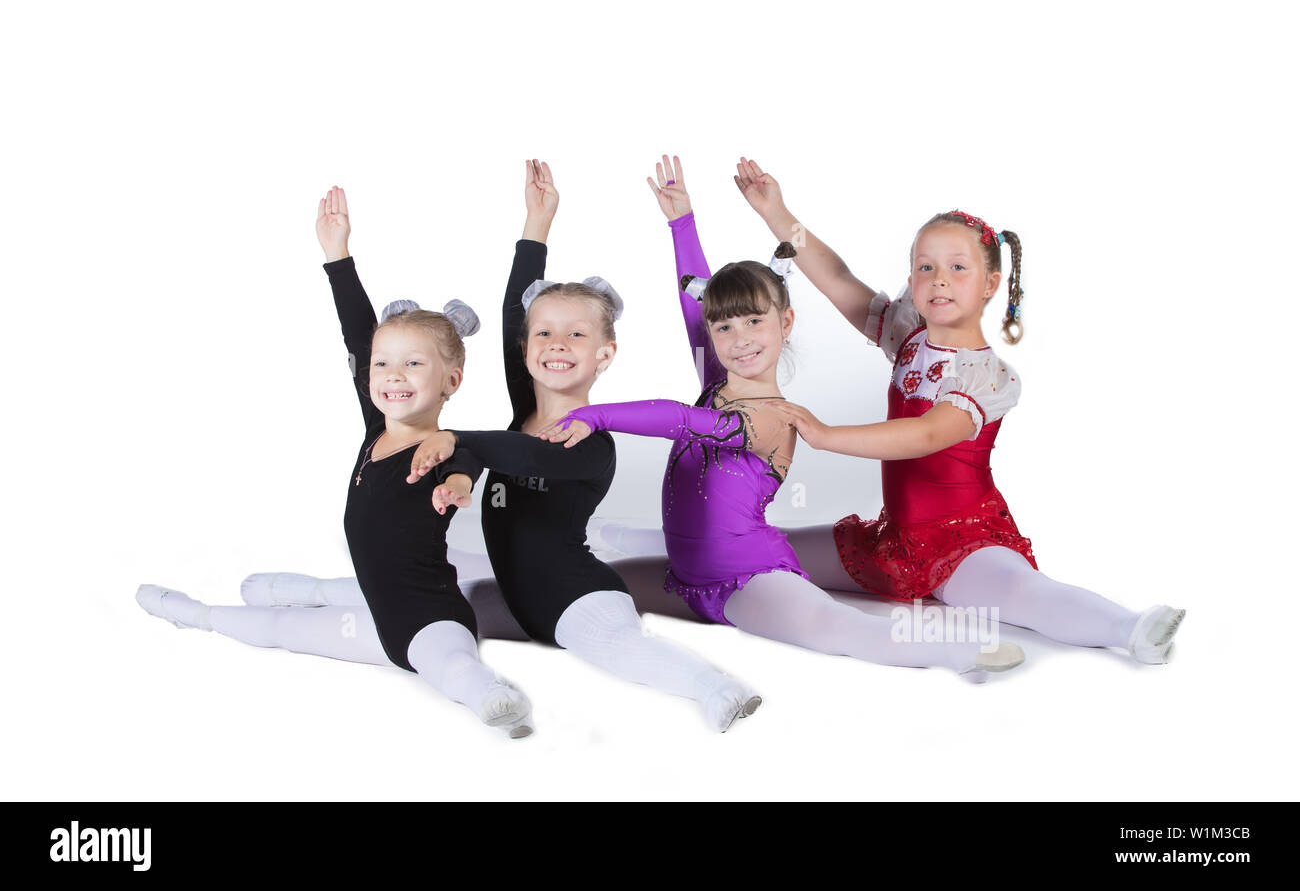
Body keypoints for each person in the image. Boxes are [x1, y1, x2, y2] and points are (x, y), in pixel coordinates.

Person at [248, 163, 761, 732]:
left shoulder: (591, 446)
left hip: (577, 600)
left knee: (618, 648)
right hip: (514, 602)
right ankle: (305, 591)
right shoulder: (523, 410)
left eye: (576, 336)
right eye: (544, 334)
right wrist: (535, 226)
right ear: (526, 349)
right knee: (417, 590)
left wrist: (456, 440)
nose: (556, 345)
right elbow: (511, 312)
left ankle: (717, 689)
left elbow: (526, 457)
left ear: (604, 355)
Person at [538, 156, 1024, 680]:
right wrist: (682, 222)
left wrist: (598, 415)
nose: (739, 339)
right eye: (725, 329)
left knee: (835, 628)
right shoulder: (716, 383)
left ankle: (964, 652)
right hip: (685, 579)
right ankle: (636, 540)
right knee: (589, 586)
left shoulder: (771, 418)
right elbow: (696, 300)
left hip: (749, 580)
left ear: (784, 323)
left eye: (754, 323)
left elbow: (680, 420)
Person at [729, 156, 1185, 663]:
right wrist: (778, 214)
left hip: (964, 542)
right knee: (767, 548)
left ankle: (1133, 628)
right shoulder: (908, 337)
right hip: (892, 540)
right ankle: (639, 539)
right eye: (926, 267)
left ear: (989, 284)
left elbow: (926, 435)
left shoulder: (985, 377)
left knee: (1022, 595)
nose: (939, 279)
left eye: (957, 268)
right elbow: (838, 277)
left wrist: (826, 433)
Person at [136, 186, 534, 737]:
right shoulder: (378, 430)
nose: (393, 374)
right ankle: (200, 612)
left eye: (413, 363)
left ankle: (490, 697)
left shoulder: (443, 447)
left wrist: (457, 485)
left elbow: (467, 462)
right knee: (277, 626)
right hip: (373, 603)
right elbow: (356, 333)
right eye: (383, 364)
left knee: (449, 664)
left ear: (451, 381)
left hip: (430, 618)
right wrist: (337, 257)